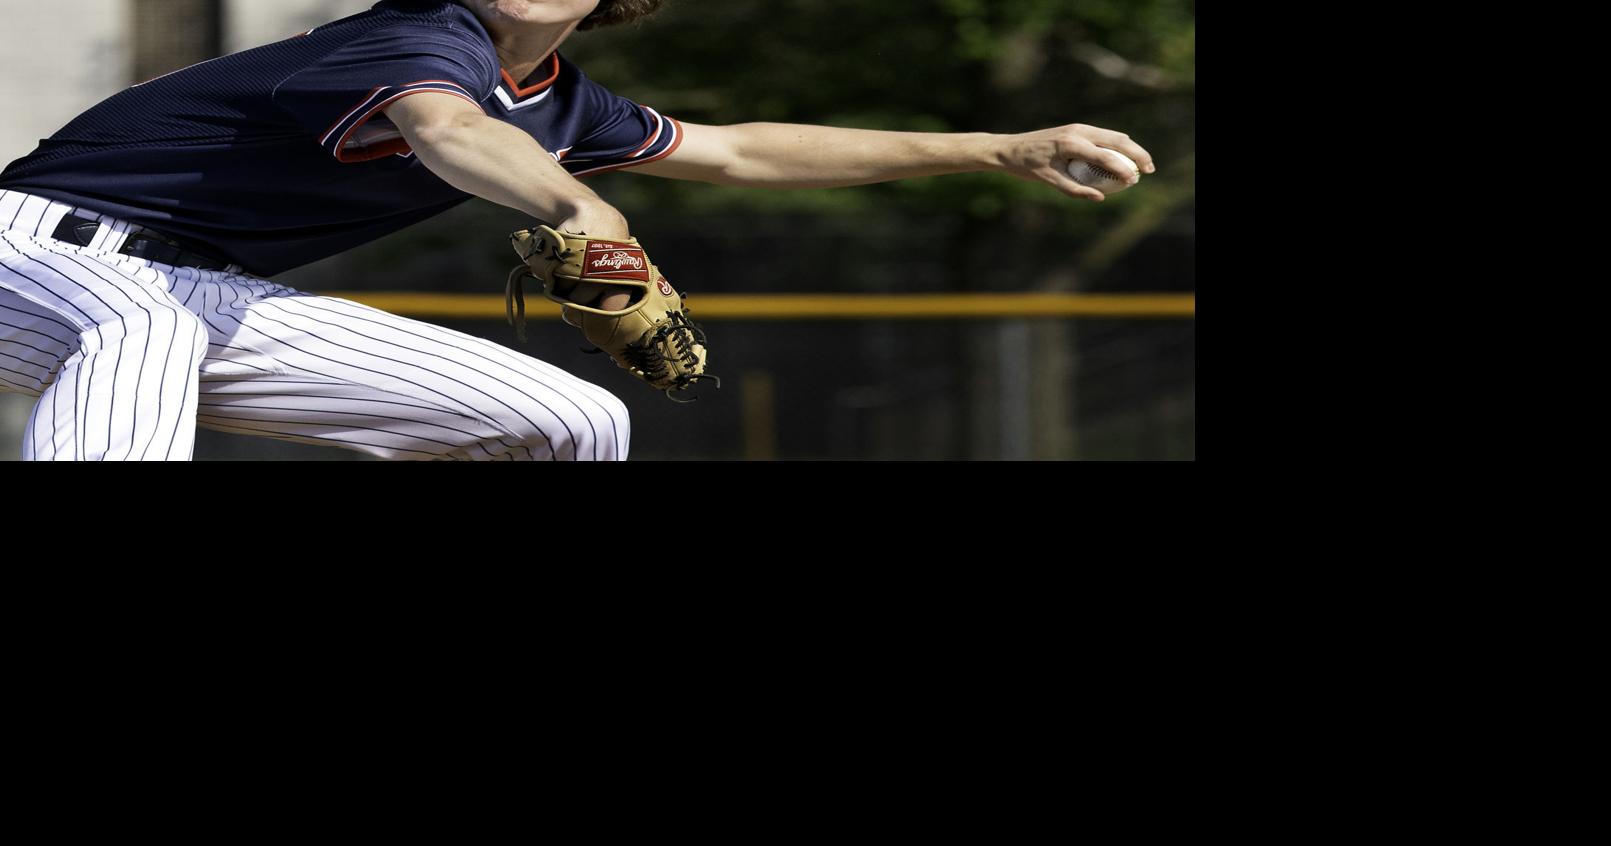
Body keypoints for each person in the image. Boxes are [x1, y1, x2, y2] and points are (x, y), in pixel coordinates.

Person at [0, 0, 1154, 461]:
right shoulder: (417, 36)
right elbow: (441, 125)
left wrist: (994, 150)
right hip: (31, 249)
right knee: (136, 329)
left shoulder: (562, 102)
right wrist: (577, 205)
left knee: (567, 417)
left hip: (207, 295)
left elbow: (742, 148)